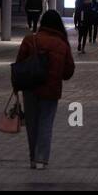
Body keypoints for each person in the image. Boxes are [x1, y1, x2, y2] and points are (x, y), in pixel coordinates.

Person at [14, 10, 75, 169]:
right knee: (45, 123)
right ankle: (42, 159)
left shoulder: (30, 40)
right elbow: (68, 72)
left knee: (32, 124)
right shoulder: (61, 44)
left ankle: (33, 158)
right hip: (51, 90)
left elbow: (19, 64)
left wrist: (16, 86)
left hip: (30, 89)